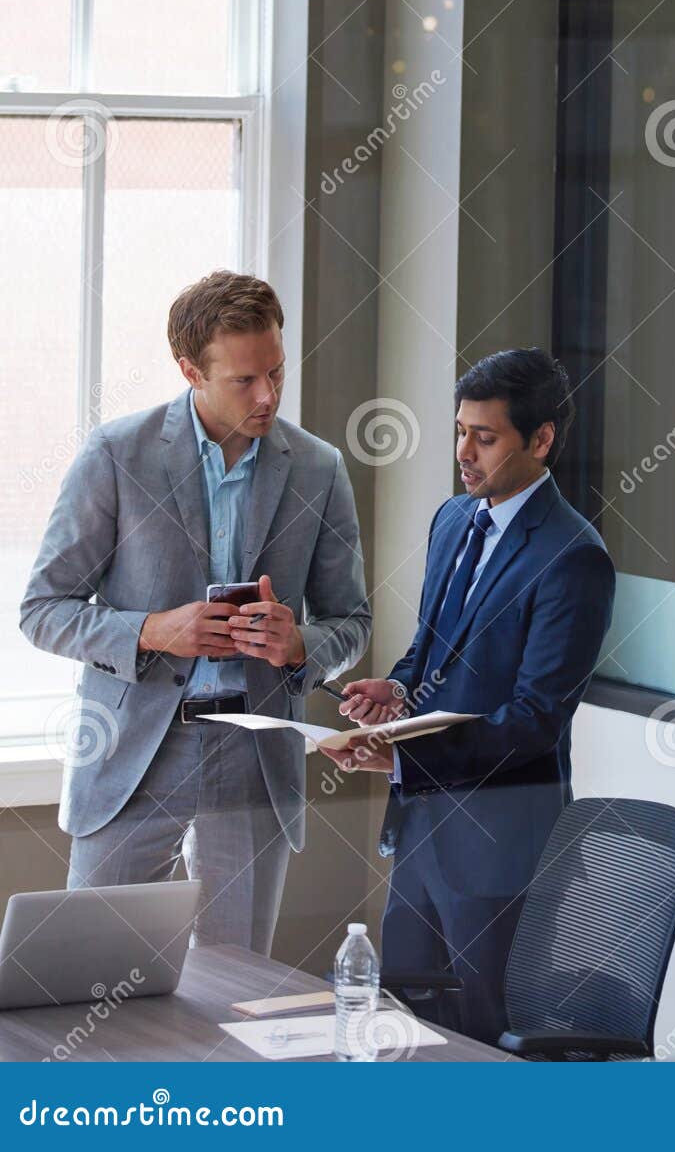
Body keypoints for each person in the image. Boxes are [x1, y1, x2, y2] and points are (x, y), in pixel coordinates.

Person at [21, 270, 371, 955]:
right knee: (90, 977)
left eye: (276, 371)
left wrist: (300, 645)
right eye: (245, 380)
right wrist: (154, 630)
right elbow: (42, 609)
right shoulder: (116, 456)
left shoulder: (319, 469)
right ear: (190, 371)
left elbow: (353, 622)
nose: (268, 395)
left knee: (234, 1000)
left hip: (255, 754)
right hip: (135, 755)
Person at [326, 348, 615, 1044]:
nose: (464, 451)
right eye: (460, 431)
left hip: (501, 843)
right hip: (422, 833)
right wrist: (394, 689)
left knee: (486, 1038)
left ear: (541, 440)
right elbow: (431, 650)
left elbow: (535, 721)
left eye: (485, 437)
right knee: (403, 1030)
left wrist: (403, 761)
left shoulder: (573, 557)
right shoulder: (453, 520)